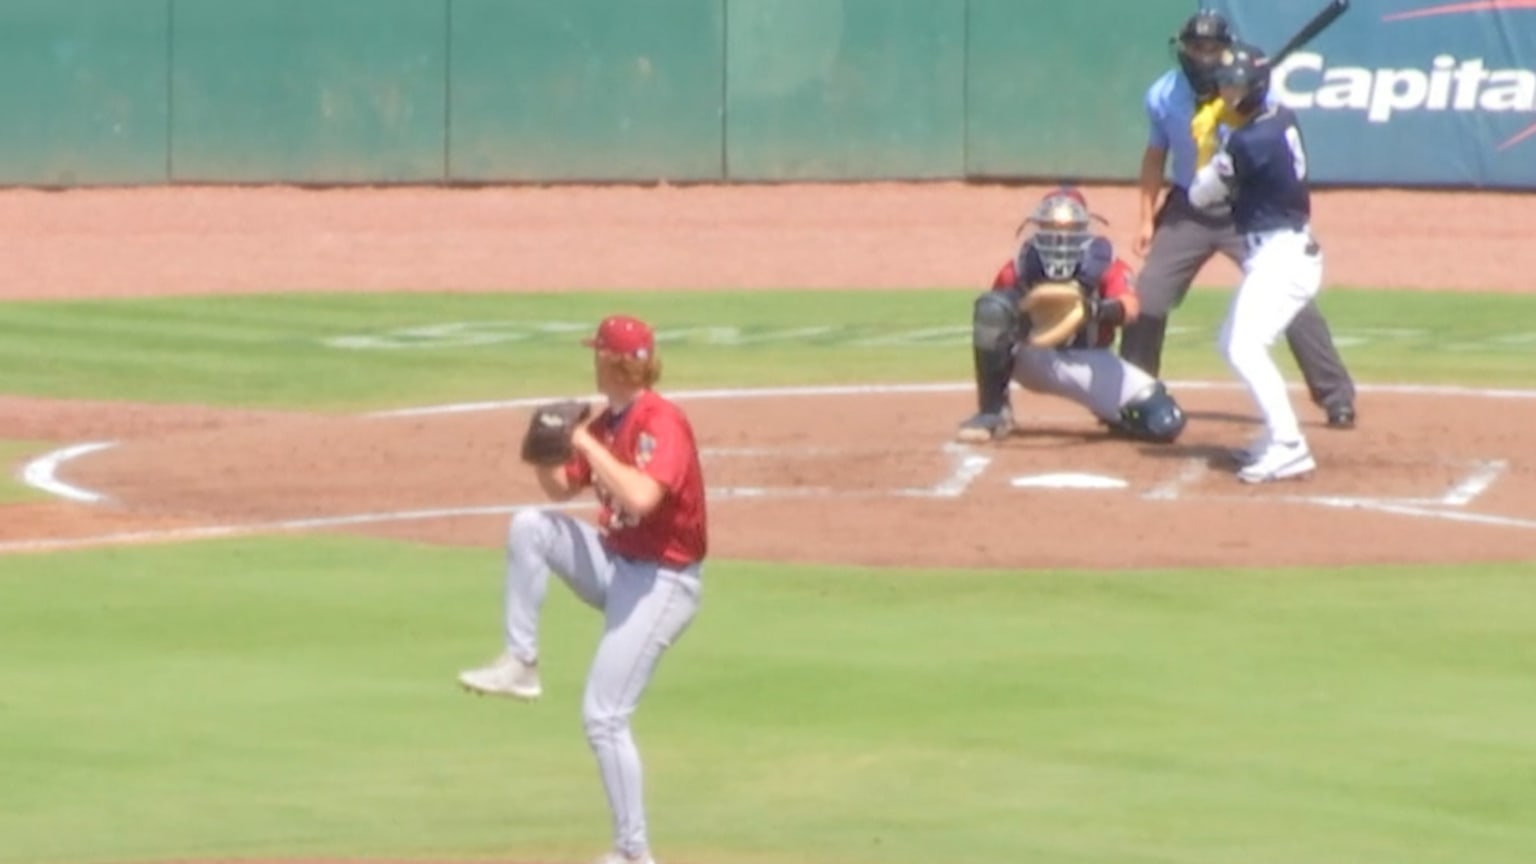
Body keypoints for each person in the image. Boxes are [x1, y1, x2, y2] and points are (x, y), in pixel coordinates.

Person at [458, 314, 706, 864]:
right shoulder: (602, 424)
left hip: (663, 582)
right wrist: (546, 450)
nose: (591, 360)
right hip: (617, 564)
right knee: (530, 526)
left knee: (604, 716)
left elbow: (642, 499)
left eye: (598, 352)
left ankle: (633, 853)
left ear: (611, 362)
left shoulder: (661, 421)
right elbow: (558, 490)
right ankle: (521, 660)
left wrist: (584, 445)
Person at [1119, 8, 1358, 430]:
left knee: (1292, 303)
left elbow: (1272, 148)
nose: (1204, 55)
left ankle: (1336, 397)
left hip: (1245, 213)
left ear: (1227, 51)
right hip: (1187, 212)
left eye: (1212, 47)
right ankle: (1132, 397)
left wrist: (1235, 106)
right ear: (1183, 50)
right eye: (1196, 47)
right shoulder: (1164, 94)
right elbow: (1154, 157)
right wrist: (1144, 218)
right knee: (1149, 298)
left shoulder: (1257, 97)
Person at [1189, 42, 1325, 482]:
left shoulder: (1251, 142)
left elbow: (1201, 194)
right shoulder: (1279, 117)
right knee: (1232, 340)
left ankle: (1289, 445)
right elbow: (1259, 112)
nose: (1227, 93)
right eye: (1225, 85)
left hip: (1283, 256)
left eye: (1235, 85)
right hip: (1276, 252)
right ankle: (1278, 437)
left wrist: (1209, 143)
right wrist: (1231, 121)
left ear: (1254, 88)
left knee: (1245, 347)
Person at [956, 186, 1186, 445]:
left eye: (1067, 229)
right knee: (992, 309)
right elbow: (995, 317)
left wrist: (1094, 310)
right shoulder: (1021, 266)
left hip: (1090, 362)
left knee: (1164, 421)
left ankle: (1117, 415)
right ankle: (993, 411)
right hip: (1034, 357)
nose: (1059, 237)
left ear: (1083, 229)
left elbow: (1131, 307)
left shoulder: (1105, 264)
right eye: (1050, 227)